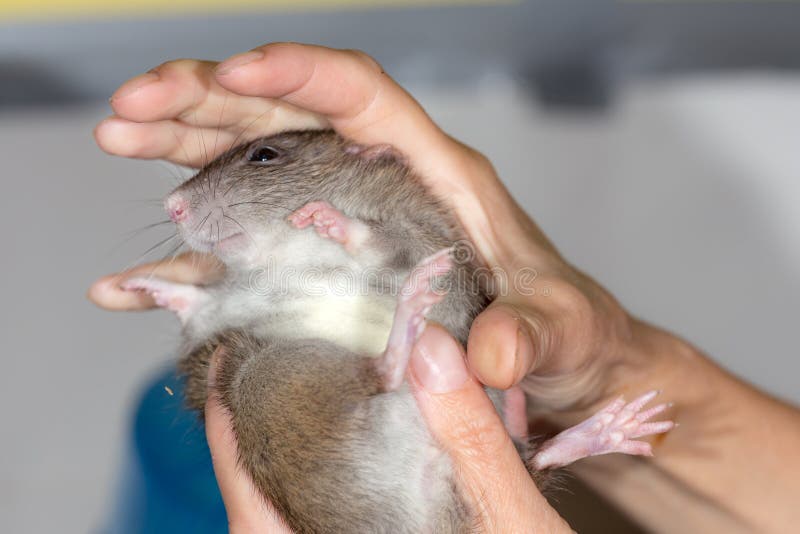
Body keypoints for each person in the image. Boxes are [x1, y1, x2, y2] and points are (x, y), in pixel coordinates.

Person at [89, 43, 800, 533]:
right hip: (378, 413)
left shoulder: (375, 208)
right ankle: (555, 439)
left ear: (363, 158)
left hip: (373, 415)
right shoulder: (321, 256)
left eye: (266, 158)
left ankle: (521, 428)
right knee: (457, 442)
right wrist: (614, 371)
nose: (178, 206)